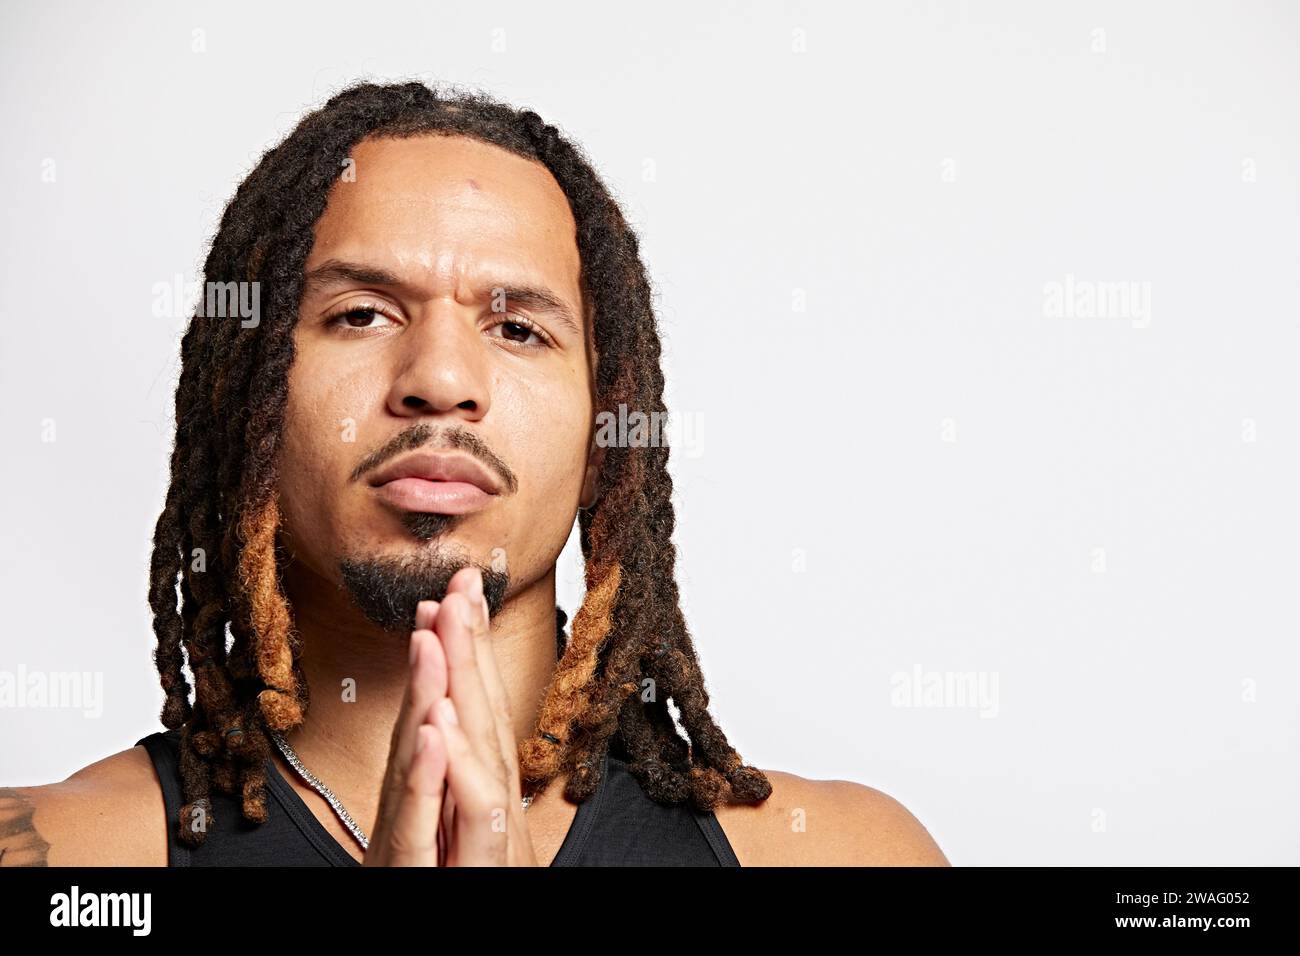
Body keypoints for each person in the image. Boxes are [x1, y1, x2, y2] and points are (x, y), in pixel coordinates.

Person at [0, 81, 949, 867]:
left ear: (604, 448)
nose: (441, 382)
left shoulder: (847, 855)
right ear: (244, 410)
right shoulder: (66, 856)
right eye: (362, 315)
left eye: (518, 328)